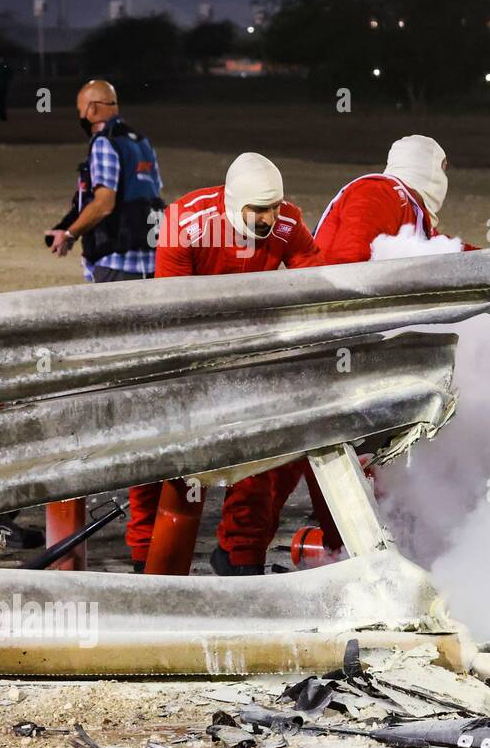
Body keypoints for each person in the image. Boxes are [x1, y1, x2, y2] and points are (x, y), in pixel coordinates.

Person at [127, 153, 334, 576]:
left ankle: (240, 557)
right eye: (259, 210)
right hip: (186, 348)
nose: (269, 218)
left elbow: (317, 289)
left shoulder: (289, 221)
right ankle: (146, 555)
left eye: (275, 207)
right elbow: (172, 313)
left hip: (248, 352)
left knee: (257, 456)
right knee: (161, 454)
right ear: (232, 201)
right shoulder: (184, 222)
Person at [45, 79, 163, 282]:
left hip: (117, 264)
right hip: (153, 261)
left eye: (80, 110)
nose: (81, 117)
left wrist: (69, 235)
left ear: (91, 109)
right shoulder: (142, 141)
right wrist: (65, 225)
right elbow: (150, 195)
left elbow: (103, 204)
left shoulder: (104, 142)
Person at [314, 135, 468, 263]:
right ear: (428, 168)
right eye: (442, 169)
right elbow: (349, 258)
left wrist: (489, 258)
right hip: (328, 294)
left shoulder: (409, 206)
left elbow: (440, 247)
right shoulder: (378, 191)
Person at [0, 56, 12, 122]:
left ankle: (3, 115)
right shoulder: (1, 67)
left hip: (3, 87)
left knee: (2, 102)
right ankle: (2, 115)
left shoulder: (5, 67)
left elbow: (10, 73)